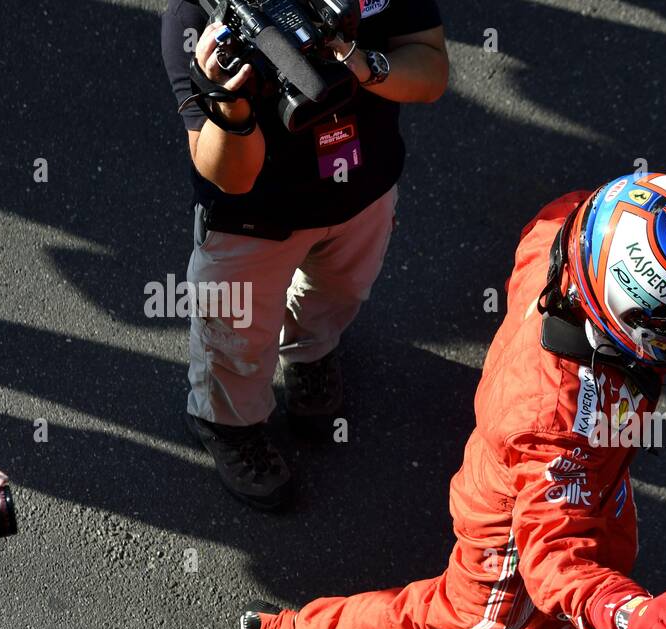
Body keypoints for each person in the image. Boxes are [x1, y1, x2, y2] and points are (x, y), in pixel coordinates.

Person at [236, 173, 666, 629]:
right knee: (469, 623)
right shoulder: (560, 423)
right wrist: (627, 612)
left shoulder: (572, 226)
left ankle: (558, 625)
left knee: (604, 531)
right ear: (621, 318)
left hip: (562, 457)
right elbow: (553, 558)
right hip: (513, 508)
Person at [160, 0, 449, 509]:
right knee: (235, 337)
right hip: (250, 220)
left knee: (338, 292)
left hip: (363, 192)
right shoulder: (194, 18)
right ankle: (226, 423)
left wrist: (364, 65)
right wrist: (230, 104)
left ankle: (311, 352)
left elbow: (429, 69)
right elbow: (230, 176)